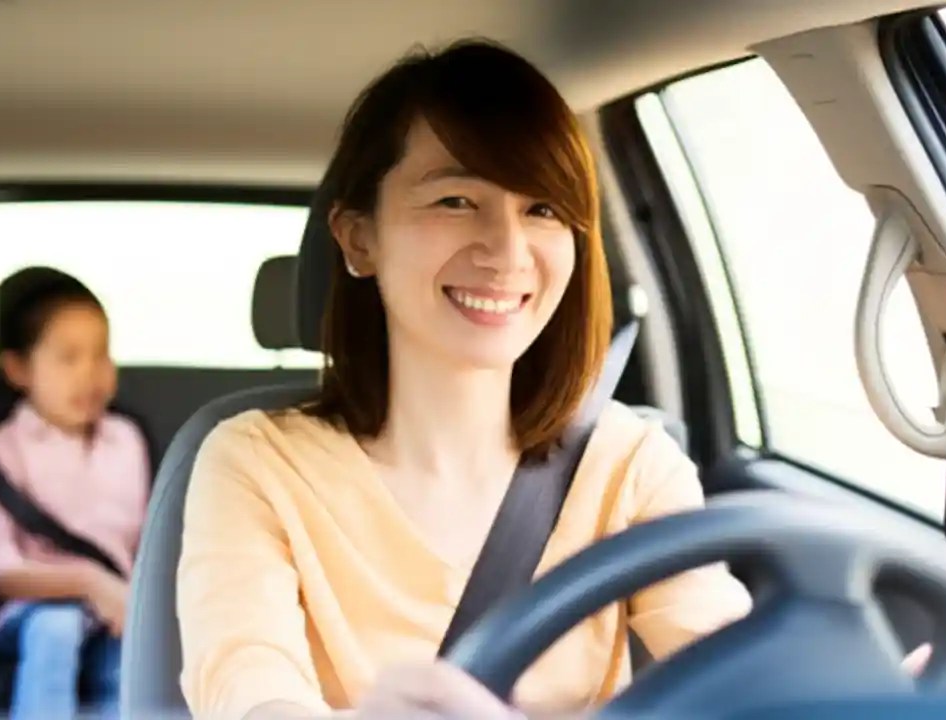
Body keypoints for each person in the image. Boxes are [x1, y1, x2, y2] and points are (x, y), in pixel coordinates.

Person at [175, 38, 755, 720]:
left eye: (542, 209)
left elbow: (739, 678)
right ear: (360, 240)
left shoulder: (628, 465)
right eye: (455, 200)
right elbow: (248, 687)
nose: (507, 252)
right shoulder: (257, 462)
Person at [0, 267, 150, 720]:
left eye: (101, 354)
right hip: (33, 612)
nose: (90, 374)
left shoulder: (126, 439)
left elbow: (149, 545)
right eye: (69, 357)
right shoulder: (5, 446)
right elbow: (1, 571)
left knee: (134, 659)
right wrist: (89, 584)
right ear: (17, 368)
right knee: (57, 627)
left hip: (116, 611)